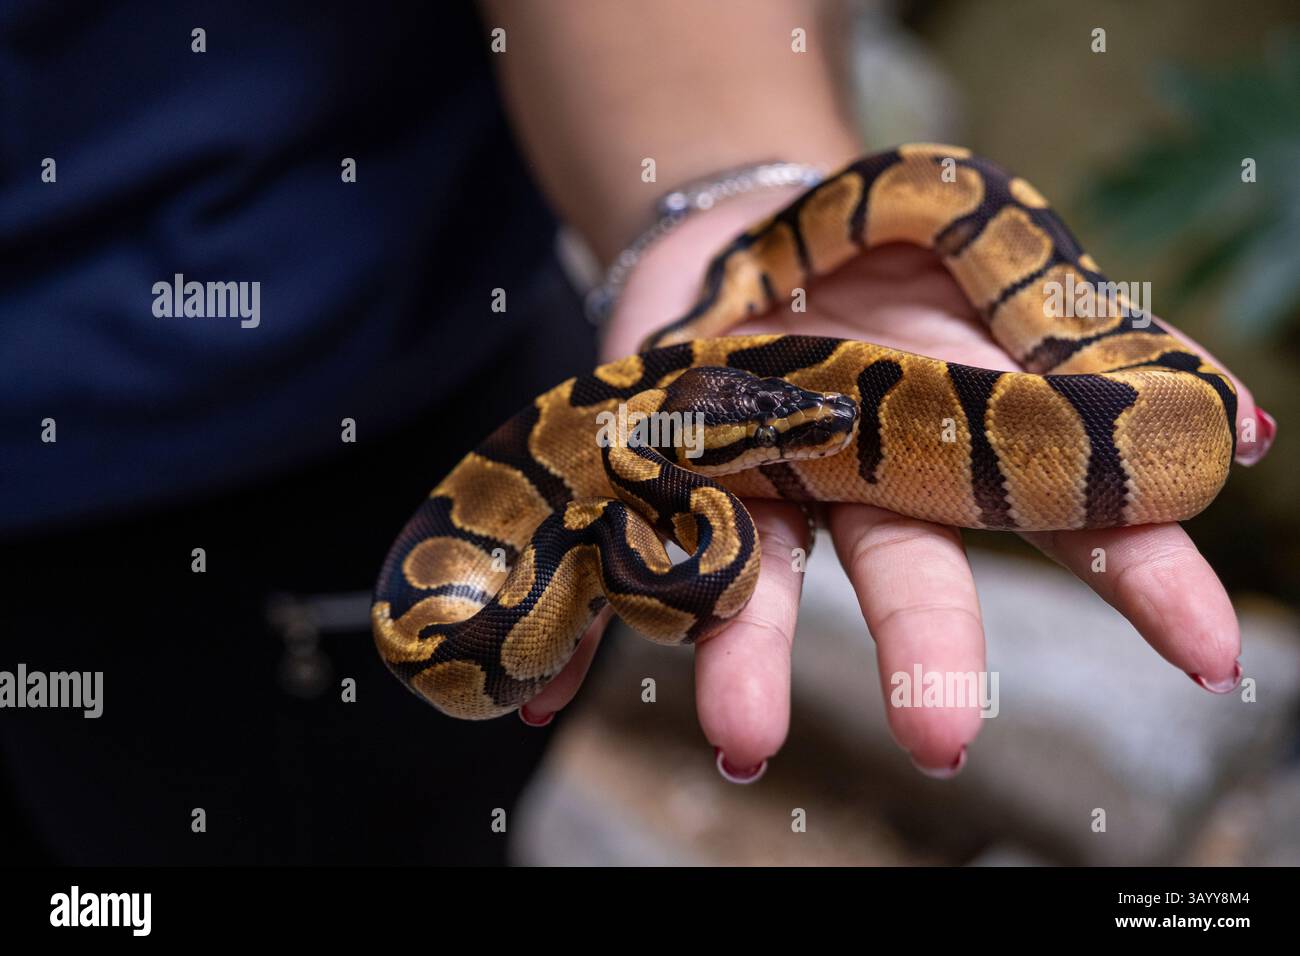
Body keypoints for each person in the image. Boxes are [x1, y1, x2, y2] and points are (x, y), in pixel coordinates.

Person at [0, 1, 1273, 865]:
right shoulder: (668, 518)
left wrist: (716, 187)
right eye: (770, 423)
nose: (804, 417)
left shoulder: (633, 476)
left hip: (299, 449)